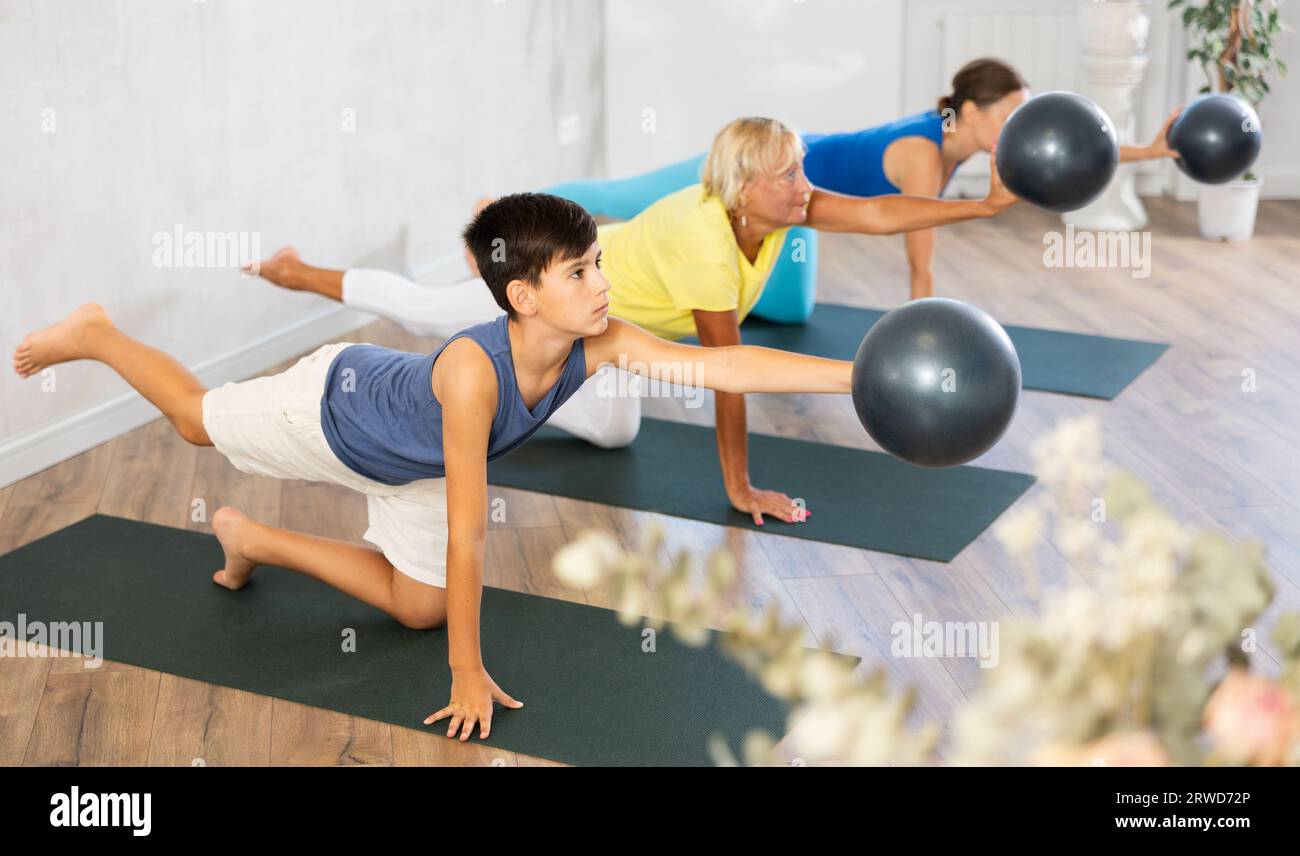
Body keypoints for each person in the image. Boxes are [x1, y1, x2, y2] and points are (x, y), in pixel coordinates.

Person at [12, 193, 855, 742]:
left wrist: (856, 378)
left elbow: (724, 368)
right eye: (579, 272)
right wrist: (468, 671)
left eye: (597, 262)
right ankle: (95, 333)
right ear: (523, 298)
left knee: (416, 606)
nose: (602, 283)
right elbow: (468, 530)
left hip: (406, 460)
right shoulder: (471, 376)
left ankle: (251, 539)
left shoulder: (600, 342)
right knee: (196, 424)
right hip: (333, 415)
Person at [249, 116, 1018, 526]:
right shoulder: (705, 246)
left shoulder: (779, 210)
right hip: (564, 294)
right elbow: (726, 372)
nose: (806, 185)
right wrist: (740, 485)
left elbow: (882, 212)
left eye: (802, 168)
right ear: (747, 187)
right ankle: (299, 269)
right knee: (420, 311)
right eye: (791, 172)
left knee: (618, 433)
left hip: (606, 336)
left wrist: (978, 203)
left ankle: (525, 399)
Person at [537, 58, 1181, 309]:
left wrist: (1147, 151)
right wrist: (922, 327)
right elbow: (912, 255)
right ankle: (514, 212)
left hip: (799, 210)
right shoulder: (924, 157)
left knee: (790, 313)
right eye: (1011, 113)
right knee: (614, 202)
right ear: (976, 111)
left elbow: (1066, 153)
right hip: (762, 177)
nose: (1022, 129)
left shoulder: (958, 134)